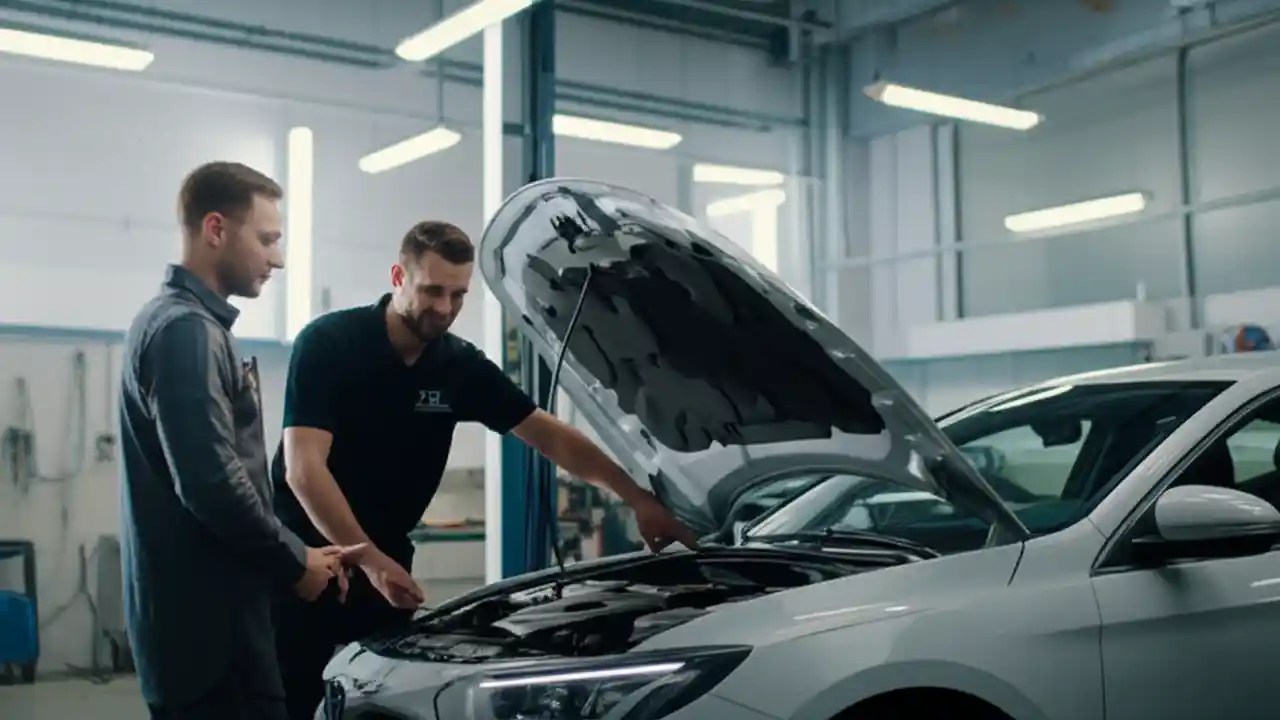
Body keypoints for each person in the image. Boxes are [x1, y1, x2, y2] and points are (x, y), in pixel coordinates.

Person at [270, 220, 700, 719]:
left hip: (386, 559)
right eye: (432, 291)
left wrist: (638, 498)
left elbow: (548, 433)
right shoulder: (330, 344)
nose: (445, 308)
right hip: (305, 557)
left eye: (458, 295)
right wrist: (368, 558)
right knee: (287, 700)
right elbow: (304, 470)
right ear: (398, 277)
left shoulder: (458, 366)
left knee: (383, 701)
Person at [118, 161, 365, 720]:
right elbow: (212, 483)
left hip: (207, 627)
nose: (278, 259)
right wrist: (295, 561)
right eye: (267, 239)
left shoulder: (178, 323)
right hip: (213, 642)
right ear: (215, 229)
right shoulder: (185, 331)